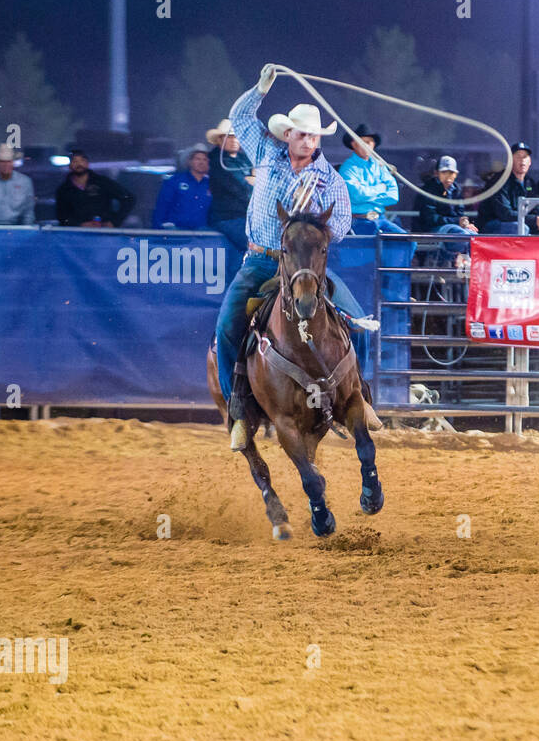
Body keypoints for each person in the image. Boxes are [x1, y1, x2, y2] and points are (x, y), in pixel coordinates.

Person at [215, 64, 379, 452]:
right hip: (260, 261)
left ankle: (362, 399)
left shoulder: (329, 180)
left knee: (359, 324)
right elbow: (239, 117)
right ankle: (239, 411)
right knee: (225, 329)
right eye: (302, 133)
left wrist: (310, 224)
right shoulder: (266, 153)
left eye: (313, 135)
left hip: (305, 268)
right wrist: (261, 87)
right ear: (287, 134)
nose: (308, 141)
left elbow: (340, 222)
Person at [477, 142, 539, 234]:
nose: (522, 160)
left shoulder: (529, 182)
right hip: (493, 223)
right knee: (520, 228)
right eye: (518, 156)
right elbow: (505, 214)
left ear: (530, 162)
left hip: (521, 221)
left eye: (525, 157)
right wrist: (535, 220)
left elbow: (537, 208)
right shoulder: (500, 180)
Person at [338, 123, 405, 235]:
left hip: (381, 220)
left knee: (408, 242)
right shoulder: (347, 168)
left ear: (373, 145)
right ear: (354, 144)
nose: (366, 145)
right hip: (358, 222)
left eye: (368, 142)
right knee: (371, 248)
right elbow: (356, 196)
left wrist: (366, 193)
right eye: (362, 142)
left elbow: (393, 196)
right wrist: (381, 188)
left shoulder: (380, 166)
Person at [417, 155, 477, 269]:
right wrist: (457, 222)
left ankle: (467, 270)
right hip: (433, 229)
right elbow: (430, 218)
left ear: (456, 175)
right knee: (462, 235)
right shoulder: (429, 190)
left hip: (452, 228)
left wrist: (466, 224)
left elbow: (459, 212)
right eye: (444, 172)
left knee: (473, 236)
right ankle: (453, 261)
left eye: (451, 173)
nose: (448, 176)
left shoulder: (456, 190)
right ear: (436, 173)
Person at [206, 118, 254, 252]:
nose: (234, 141)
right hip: (228, 218)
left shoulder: (244, 159)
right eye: (229, 137)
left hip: (246, 218)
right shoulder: (217, 162)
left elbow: (258, 181)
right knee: (257, 247)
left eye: (237, 137)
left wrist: (252, 180)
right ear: (219, 140)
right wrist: (251, 180)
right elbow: (243, 190)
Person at [55, 149, 136, 227]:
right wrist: (79, 225)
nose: (79, 164)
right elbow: (62, 216)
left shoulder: (102, 182)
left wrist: (114, 222)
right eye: (75, 161)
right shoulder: (64, 190)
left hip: (105, 234)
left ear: (87, 163)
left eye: (82, 160)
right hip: (77, 236)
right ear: (70, 165)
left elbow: (128, 198)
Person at [152, 145, 212, 230]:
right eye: (197, 159)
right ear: (189, 162)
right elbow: (161, 207)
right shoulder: (174, 181)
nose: (201, 162)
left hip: (203, 237)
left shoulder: (212, 185)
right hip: (176, 235)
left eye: (205, 159)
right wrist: (158, 231)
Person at [0, 144, 35, 225]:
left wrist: (26, 232)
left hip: (16, 229)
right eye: (2, 161)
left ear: (13, 163)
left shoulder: (25, 182)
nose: (6, 165)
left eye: (9, 161)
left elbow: (28, 211)